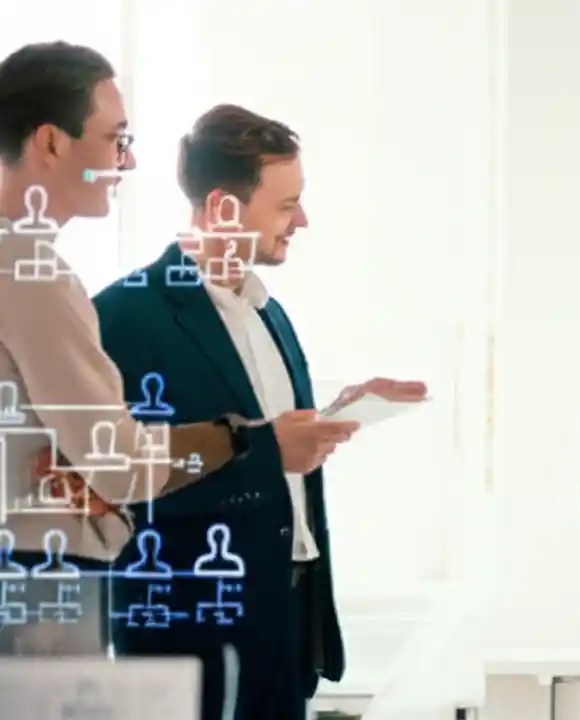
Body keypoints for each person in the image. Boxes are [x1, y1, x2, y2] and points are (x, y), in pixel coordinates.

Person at [0, 42, 354, 658]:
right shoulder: (40, 279)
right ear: (53, 143)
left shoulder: (270, 314)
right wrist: (252, 440)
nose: (129, 162)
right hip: (45, 589)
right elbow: (122, 463)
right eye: (116, 140)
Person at [91, 103, 426, 720]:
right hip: (188, 641)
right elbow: (115, 476)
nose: (302, 219)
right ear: (224, 205)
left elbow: (261, 435)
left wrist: (336, 412)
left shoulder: (271, 313)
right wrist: (271, 449)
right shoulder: (120, 318)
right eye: (285, 204)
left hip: (285, 624)